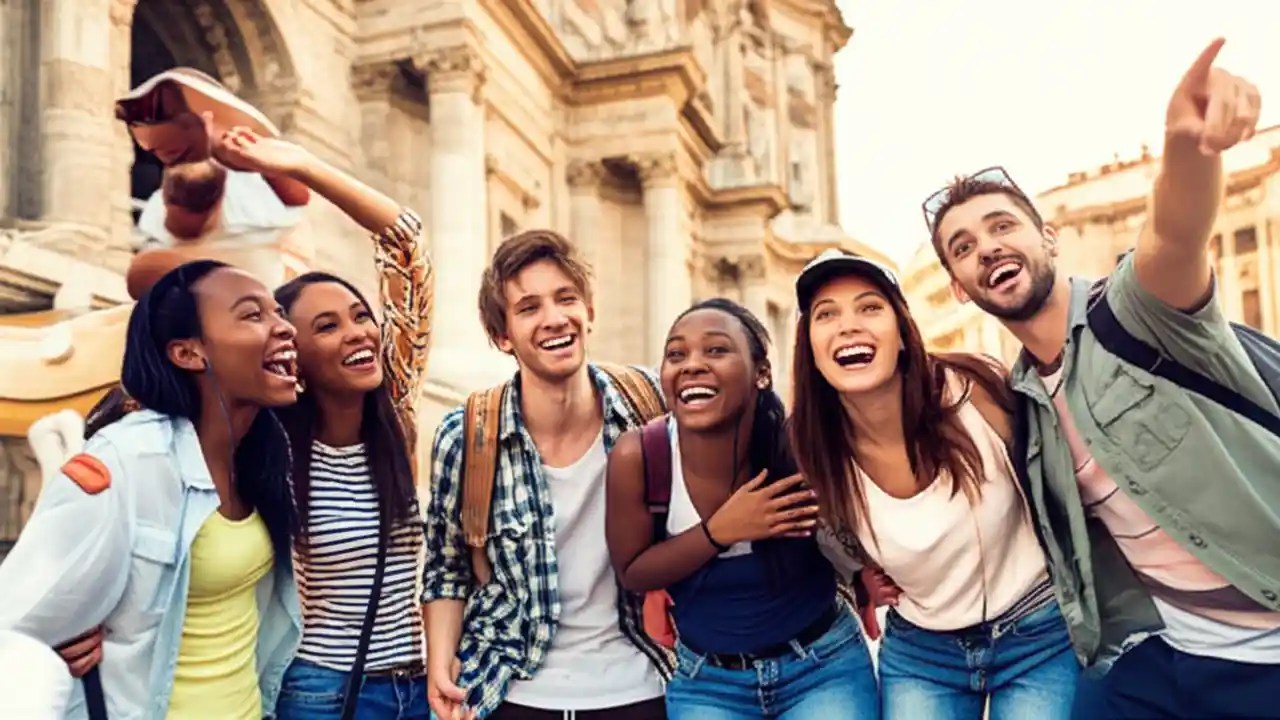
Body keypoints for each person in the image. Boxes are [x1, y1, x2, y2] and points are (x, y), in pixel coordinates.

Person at [926, 39, 1279, 718]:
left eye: (1002, 226)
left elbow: (1174, 234)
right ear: (961, 290)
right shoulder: (1019, 404)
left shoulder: (1139, 311)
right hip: (1161, 657)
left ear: (1049, 239)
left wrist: (1188, 146)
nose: (987, 247)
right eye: (963, 248)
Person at [0, 258, 302, 719]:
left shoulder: (264, 453)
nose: (284, 328)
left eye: (278, 312)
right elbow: (17, 621)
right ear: (188, 353)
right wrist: (52, 650)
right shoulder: (124, 462)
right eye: (252, 315)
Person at [789, 249, 1078, 718]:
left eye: (869, 307)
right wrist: (858, 577)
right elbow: (822, 536)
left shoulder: (975, 388)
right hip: (923, 655)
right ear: (812, 349)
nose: (848, 325)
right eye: (826, 315)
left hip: (1038, 635)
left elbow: (1066, 479)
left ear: (902, 333)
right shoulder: (808, 444)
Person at [216, 123, 435, 718]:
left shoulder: (396, 412)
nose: (359, 332)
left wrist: (303, 166)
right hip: (323, 692)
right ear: (295, 355)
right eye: (327, 327)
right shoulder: (271, 446)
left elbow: (406, 247)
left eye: (360, 315)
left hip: (422, 689)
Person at [422, 230, 669, 720]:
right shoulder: (467, 435)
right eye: (529, 307)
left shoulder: (650, 406)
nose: (554, 318)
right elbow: (446, 566)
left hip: (640, 683)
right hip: (509, 687)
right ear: (502, 335)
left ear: (590, 311)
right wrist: (441, 665)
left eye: (566, 298)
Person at [606, 297, 879, 719]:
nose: (692, 364)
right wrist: (719, 532)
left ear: (761, 374)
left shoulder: (797, 448)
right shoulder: (640, 454)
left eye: (716, 350)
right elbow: (633, 571)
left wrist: (866, 577)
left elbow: (847, 535)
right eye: (676, 354)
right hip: (708, 684)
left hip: (823, 669)